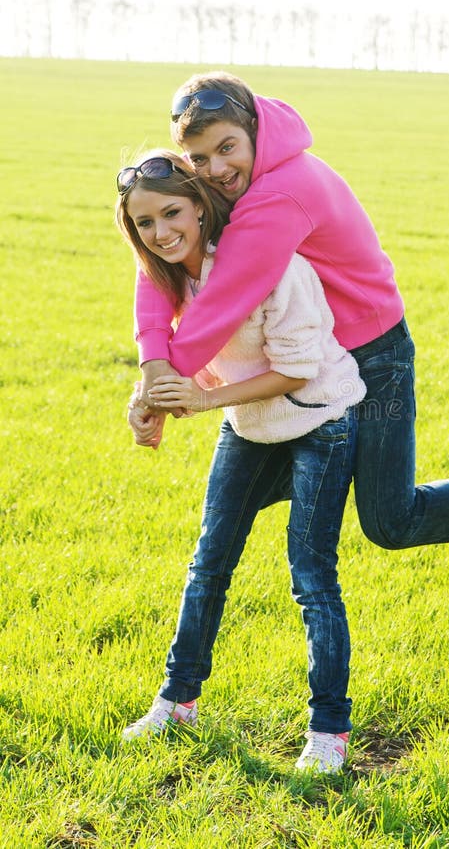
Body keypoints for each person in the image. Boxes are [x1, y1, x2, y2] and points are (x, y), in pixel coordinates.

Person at [129, 71, 449, 578]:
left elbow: (223, 301)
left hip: (375, 352)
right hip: (316, 351)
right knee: (257, 488)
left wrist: (157, 393)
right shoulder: (231, 181)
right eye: (200, 159)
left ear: (254, 128)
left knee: (389, 520)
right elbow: (157, 266)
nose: (217, 169)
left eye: (227, 148)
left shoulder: (280, 194)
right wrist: (154, 364)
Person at [116, 149, 367, 773]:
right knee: (209, 563)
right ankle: (177, 701)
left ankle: (329, 733)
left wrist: (203, 399)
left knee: (311, 576)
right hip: (250, 425)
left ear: (201, 207)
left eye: (172, 213)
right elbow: (177, 350)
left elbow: (296, 369)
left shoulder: (271, 269)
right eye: (145, 223)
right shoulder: (176, 276)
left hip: (320, 418)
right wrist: (147, 400)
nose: (161, 232)